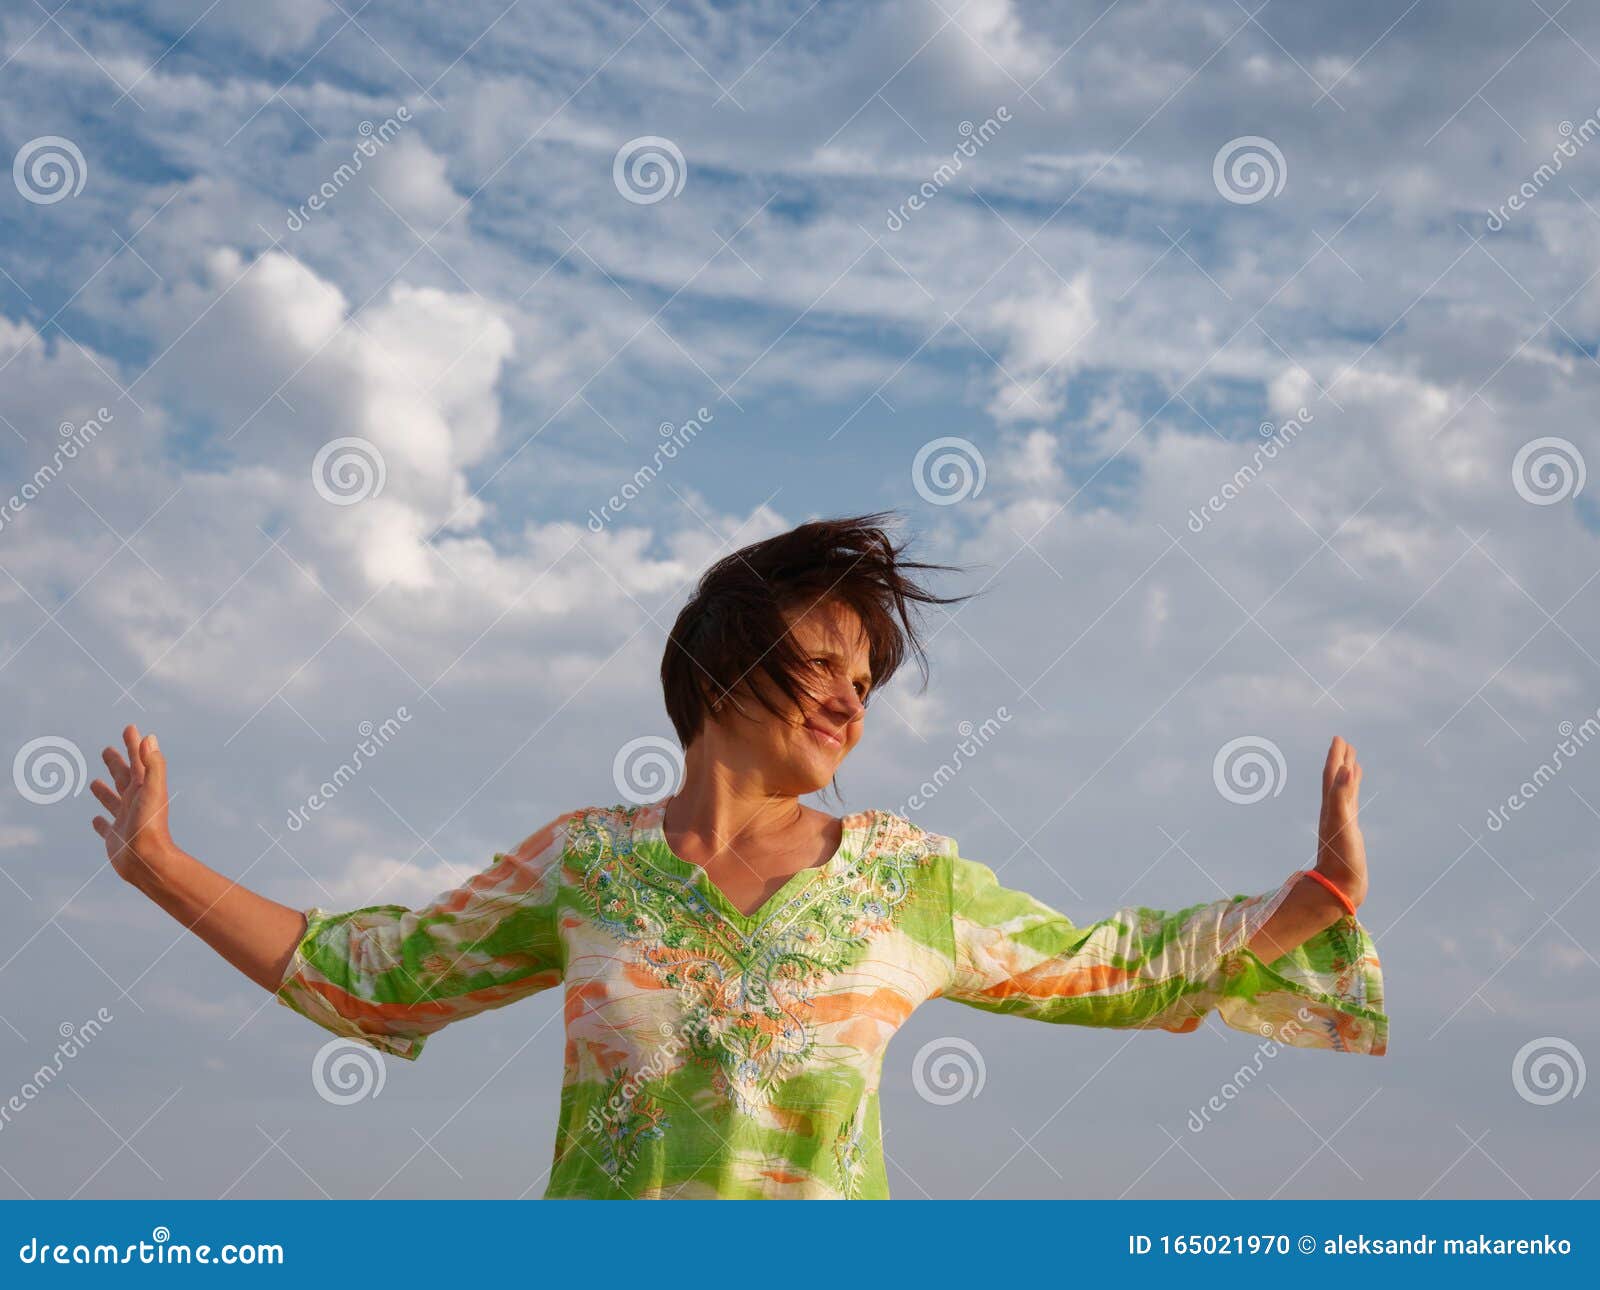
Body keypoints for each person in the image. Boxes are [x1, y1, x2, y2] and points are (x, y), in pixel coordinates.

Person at [90, 511, 1386, 1200]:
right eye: (819, 661)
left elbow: (1116, 969)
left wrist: (1312, 897)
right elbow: (375, 979)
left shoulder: (905, 880)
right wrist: (160, 863)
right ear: (716, 663)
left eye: (866, 677)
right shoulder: (585, 865)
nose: (848, 696)